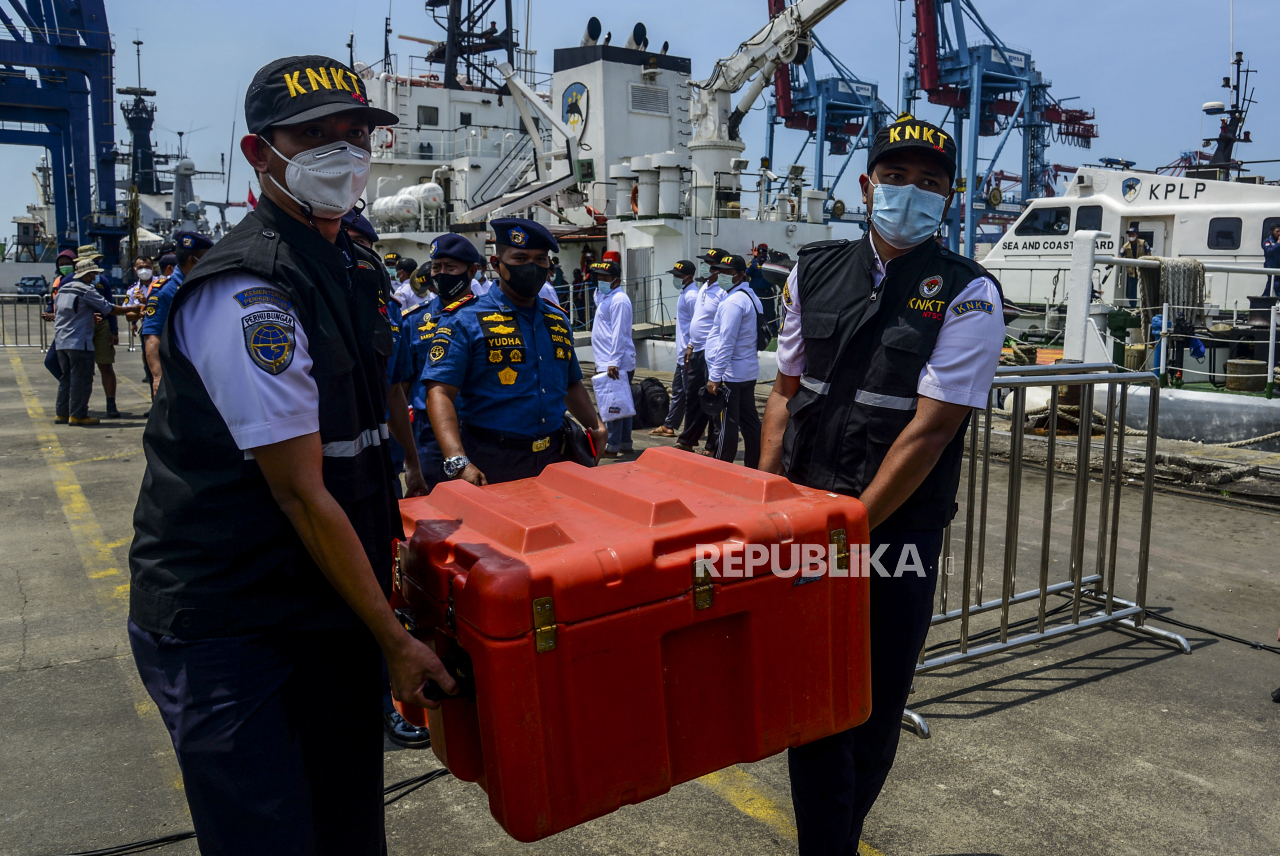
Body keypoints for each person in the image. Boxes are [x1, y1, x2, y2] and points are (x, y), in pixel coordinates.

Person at [127, 55, 457, 856]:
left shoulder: (352, 263)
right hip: (229, 622)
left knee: (348, 822)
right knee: (268, 836)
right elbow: (302, 494)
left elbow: (369, 435)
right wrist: (395, 639)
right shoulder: (249, 292)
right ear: (258, 154)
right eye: (314, 137)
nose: (342, 152)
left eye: (355, 133)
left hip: (321, 602)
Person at [758, 113, 1005, 856]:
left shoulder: (969, 295)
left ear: (949, 199)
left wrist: (854, 529)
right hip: (803, 520)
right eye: (894, 179)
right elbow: (785, 391)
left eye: (928, 184)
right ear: (867, 186)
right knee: (810, 703)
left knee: (871, 706)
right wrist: (760, 499)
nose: (909, 193)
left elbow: (930, 431)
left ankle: (836, 837)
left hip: (892, 534)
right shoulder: (813, 268)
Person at [421, 217, 608, 485]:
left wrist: (595, 425)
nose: (531, 267)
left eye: (540, 260)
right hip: (491, 459)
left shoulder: (557, 319)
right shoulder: (465, 319)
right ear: (497, 265)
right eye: (520, 259)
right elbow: (439, 392)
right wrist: (457, 460)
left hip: (555, 455)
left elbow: (570, 383)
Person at [394, 235, 483, 490]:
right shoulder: (413, 321)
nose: (441, 273)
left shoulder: (489, 317)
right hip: (429, 432)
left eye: (451, 267)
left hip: (480, 427)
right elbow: (401, 389)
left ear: (472, 272)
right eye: (437, 267)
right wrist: (410, 462)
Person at [52, 257, 129, 425]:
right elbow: (109, 308)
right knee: (82, 379)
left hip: (62, 342)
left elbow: (65, 314)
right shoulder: (85, 290)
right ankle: (78, 415)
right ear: (87, 275)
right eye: (94, 274)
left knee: (66, 379)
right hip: (79, 342)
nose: (96, 277)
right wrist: (133, 309)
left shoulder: (63, 290)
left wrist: (87, 316)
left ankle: (62, 414)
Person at [704, 252, 763, 467]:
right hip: (747, 371)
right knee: (750, 422)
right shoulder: (750, 296)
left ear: (739, 275)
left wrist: (715, 376)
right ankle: (754, 464)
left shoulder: (733, 303)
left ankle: (722, 466)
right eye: (720, 271)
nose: (722, 276)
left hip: (731, 374)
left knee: (727, 424)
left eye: (728, 272)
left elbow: (726, 343)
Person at [140, 232, 214, 397]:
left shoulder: (206, 285)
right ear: (193, 261)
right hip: (179, 374)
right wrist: (158, 377)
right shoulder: (165, 291)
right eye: (207, 258)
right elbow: (152, 337)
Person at [676, 250, 726, 454]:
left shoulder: (723, 292)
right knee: (693, 397)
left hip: (712, 353)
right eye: (705, 263)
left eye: (710, 264)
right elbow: (698, 319)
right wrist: (690, 345)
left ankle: (713, 445)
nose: (706, 267)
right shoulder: (705, 287)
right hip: (697, 350)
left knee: (713, 400)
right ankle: (688, 439)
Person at [589, 259, 635, 457]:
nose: (600, 281)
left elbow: (619, 333)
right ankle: (624, 443)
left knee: (613, 405)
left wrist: (612, 362)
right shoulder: (606, 297)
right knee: (622, 403)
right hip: (606, 360)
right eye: (598, 277)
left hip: (616, 362)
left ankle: (613, 445)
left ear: (616, 280)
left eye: (605, 278)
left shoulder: (619, 300)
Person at [651, 260, 698, 437]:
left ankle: (693, 429)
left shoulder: (692, 296)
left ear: (689, 277)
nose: (676, 279)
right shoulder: (684, 293)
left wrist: (691, 347)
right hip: (681, 355)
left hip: (688, 354)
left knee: (690, 393)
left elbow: (698, 325)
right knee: (678, 391)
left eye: (678, 276)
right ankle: (669, 425)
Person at [747, 243, 778, 341]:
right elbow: (746, 275)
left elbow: (772, 277)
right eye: (760, 252)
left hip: (768, 292)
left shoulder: (769, 264)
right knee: (756, 313)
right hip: (756, 292)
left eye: (764, 252)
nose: (762, 254)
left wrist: (775, 289)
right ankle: (755, 333)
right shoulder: (753, 264)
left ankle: (773, 333)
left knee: (770, 313)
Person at [1119, 223, 1149, 306]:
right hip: (1132, 270)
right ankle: (1133, 305)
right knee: (1132, 288)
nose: (1131, 235)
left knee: (1145, 287)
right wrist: (1113, 263)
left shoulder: (1143, 243)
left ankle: (1146, 304)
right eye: (1130, 234)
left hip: (1142, 269)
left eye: (1133, 234)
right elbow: (1120, 255)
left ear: (1137, 235)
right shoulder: (1125, 246)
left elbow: (1148, 254)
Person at [1263, 223, 1280, 297]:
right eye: (1277, 231)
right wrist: (1278, 243)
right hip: (1271, 266)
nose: (1279, 233)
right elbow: (1269, 251)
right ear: (1272, 232)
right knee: (1273, 283)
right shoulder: (1268, 241)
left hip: (1278, 266)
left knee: (1272, 285)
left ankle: (1265, 298)